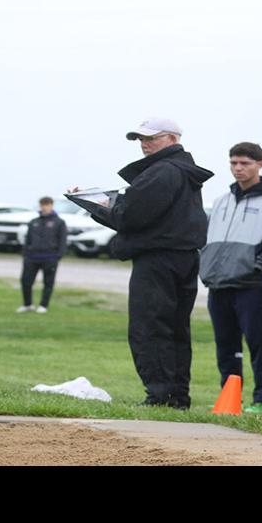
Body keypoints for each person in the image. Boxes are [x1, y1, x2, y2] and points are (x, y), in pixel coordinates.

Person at [84, 118, 213, 409]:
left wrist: (97, 206)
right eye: (140, 139)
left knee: (150, 328)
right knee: (176, 328)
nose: (144, 144)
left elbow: (130, 216)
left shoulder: (162, 172)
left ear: (172, 139)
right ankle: (177, 395)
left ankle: (160, 395)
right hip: (183, 257)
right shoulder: (182, 170)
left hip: (158, 259)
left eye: (151, 138)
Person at [199, 142, 262, 414]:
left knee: (260, 345)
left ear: (260, 165)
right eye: (233, 163)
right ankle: (230, 399)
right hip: (219, 284)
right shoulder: (221, 201)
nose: (238, 169)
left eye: (245, 163)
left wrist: (254, 267)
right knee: (226, 346)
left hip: (254, 285)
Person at [18, 197, 68, 314]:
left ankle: (43, 305)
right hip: (32, 257)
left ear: (51, 205)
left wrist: (58, 256)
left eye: (47, 204)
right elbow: (28, 239)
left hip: (50, 257)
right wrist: (26, 253)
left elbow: (62, 241)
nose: (44, 207)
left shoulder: (59, 222)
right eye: (42, 204)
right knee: (26, 281)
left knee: (48, 283)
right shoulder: (34, 222)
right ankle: (27, 304)